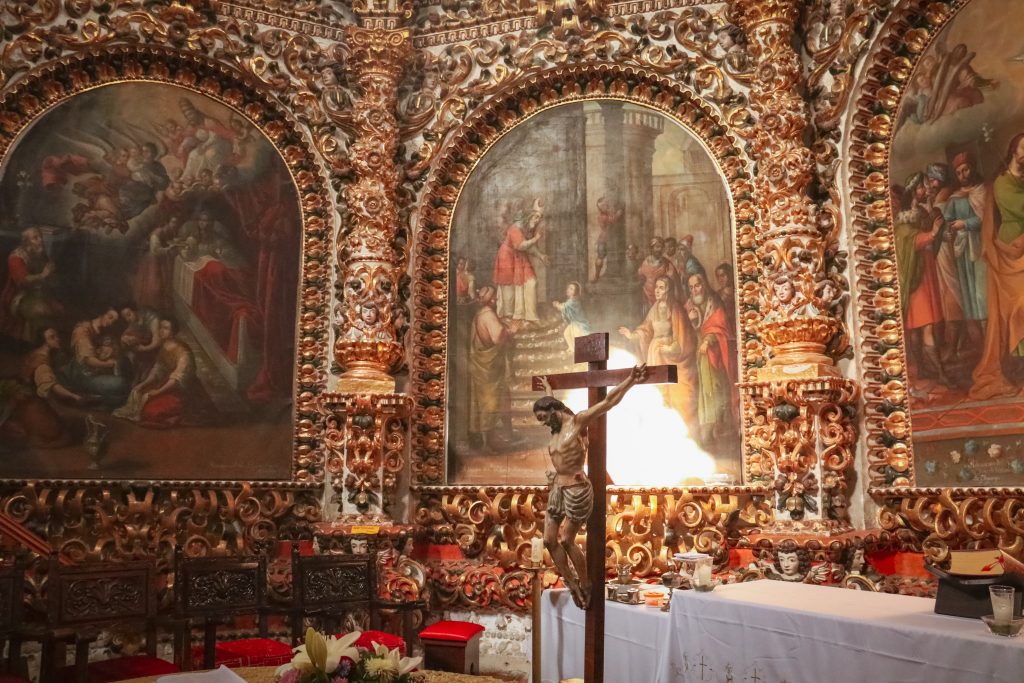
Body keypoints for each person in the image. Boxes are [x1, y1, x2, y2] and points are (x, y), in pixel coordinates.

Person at [533, 365, 648, 609]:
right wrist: (548, 390)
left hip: (576, 489)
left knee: (566, 540)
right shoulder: (555, 428)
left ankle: (585, 583)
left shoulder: (577, 422)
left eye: (544, 418)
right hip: (557, 489)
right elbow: (552, 405)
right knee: (549, 541)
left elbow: (607, 402)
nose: (543, 424)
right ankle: (571, 582)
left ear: (553, 411)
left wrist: (630, 380)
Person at [970, 133, 1024, 399]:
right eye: (1023, 148)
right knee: (1017, 308)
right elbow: (1018, 208)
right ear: (1014, 150)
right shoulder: (1002, 183)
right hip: (1010, 249)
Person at [619, 275, 699, 432]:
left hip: (672, 357)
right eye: (656, 287)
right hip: (655, 355)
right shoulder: (654, 308)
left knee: (679, 396)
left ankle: (678, 429)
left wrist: (670, 349)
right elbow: (646, 330)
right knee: (658, 391)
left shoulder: (675, 309)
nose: (657, 290)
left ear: (668, 290)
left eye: (661, 287)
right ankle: (660, 426)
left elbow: (684, 336)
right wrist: (632, 335)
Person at [894, 173, 951, 386]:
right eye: (920, 187)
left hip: (926, 271)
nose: (924, 190)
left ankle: (924, 369)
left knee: (921, 324)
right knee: (923, 324)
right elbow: (909, 241)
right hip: (915, 277)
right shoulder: (903, 218)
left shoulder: (921, 212)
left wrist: (938, 233)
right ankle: (941, 374)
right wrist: (933, 234)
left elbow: (929, 234)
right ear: (912, 191)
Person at [468, 287, 522, 451]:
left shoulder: (481, 314)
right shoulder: (488, 315)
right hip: (490, 369)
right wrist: (512, 330)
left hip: (485, 367)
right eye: (494, 298)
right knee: (491, 402)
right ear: (490, 300)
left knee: (503, 399)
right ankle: (490, 442)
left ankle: (507, 434)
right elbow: (498, 337)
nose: (496, 300)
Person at [114, 317, 195, 428]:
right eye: (160, 327)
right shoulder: (164, 346)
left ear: (173, 332)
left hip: (179, 391)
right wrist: (143, 384)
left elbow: (177, 378)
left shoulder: (183, 351)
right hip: (164, 385)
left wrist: (157, 392)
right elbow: (158, 370)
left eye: (166, 328)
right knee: (138, 393)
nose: (161, 330)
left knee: (150, 412)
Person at [686, 273, 737, 443]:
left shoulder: (714, 302)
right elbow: (687, 330)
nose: (695, 290)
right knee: (701, 390)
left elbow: (720, 326)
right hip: (697, 355)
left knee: (715, 387)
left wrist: (708, 341)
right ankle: (706, 425)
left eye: (697, 285)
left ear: (704, 285)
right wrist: (692, 321)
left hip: (714, 353)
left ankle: (718, 425)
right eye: (691, 287)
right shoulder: (689, 304)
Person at [944, 152, 988, 351]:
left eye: (966, 169)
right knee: (969, 296)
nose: (963, 175)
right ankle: (981, 343)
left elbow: (987, 218)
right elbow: (947, 222)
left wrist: (965, 223)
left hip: (982, 247)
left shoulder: (983, 191)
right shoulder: (954, 199)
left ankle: (992, 337)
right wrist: (949, 230)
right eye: (959, 172)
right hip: (962, 252)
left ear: (972, 168)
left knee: (983, 294)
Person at [0, 227, 62, 342]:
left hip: (39, 294)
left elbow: (51, 278)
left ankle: (47, 339)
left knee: (58, 309)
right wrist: (43, 275)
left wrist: (52, 275)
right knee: (41, 310)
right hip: (19, 296)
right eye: (35, 238)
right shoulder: (16, 257)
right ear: (26, 242)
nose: (40, 240)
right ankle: (36, 341)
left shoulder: (40, 254)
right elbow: (23, 280)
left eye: (40, 237)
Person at [493, 200, 545, 324]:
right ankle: (508, 315)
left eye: (540, 217)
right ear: (528, 216)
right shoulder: (516, 228)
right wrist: (535, 239)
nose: (538, 220)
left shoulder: (526, 228)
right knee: (508, 287)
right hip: (507, 257)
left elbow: (528, 247)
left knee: (530, 282)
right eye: (536, 217)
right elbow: (520, 245)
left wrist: (541, 256)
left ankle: (529, 315)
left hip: (519, 257)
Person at [67, 308, 131, 407]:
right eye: (110, 317)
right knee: (121, 384)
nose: (111, 322)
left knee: (123, 389)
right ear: (101, 314)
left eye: (113, 321)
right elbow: (89, 360)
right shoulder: (82, 331)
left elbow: (113, 350)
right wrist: (110, 364)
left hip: (95, 372)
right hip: (83, 375)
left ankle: (106, 404)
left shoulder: (100, 332)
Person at [636, 237, 678, 312]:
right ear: (651, 248)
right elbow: (640, 276)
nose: (660, 249)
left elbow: (673, 280)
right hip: (647, 297)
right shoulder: (645, 262)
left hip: (661, 297)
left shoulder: (666, 263)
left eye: (661, 247)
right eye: (657, 247)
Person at [551, 281, 591, 355]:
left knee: (576, 336)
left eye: (571, 289)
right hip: (574, 322)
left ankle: (579, 350)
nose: (568, 290)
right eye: (568, 288)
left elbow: (564, 307)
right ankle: (572, 348)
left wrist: (557, 304)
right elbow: (566, 305)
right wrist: (559, 305)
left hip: (579, 323)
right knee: (566, 333)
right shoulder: (570, 300)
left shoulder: (574, 301)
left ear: (576, 292)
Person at [592, 197, 622, 282]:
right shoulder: (602, 216)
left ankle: (597, 277)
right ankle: (596, 276)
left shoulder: (608, 213)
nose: (603, 208)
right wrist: (618, 214)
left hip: (608, 239)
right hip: (604, 240)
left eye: (604, 205)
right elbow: (611, 221)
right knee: (600, 257)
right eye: (601, 207)